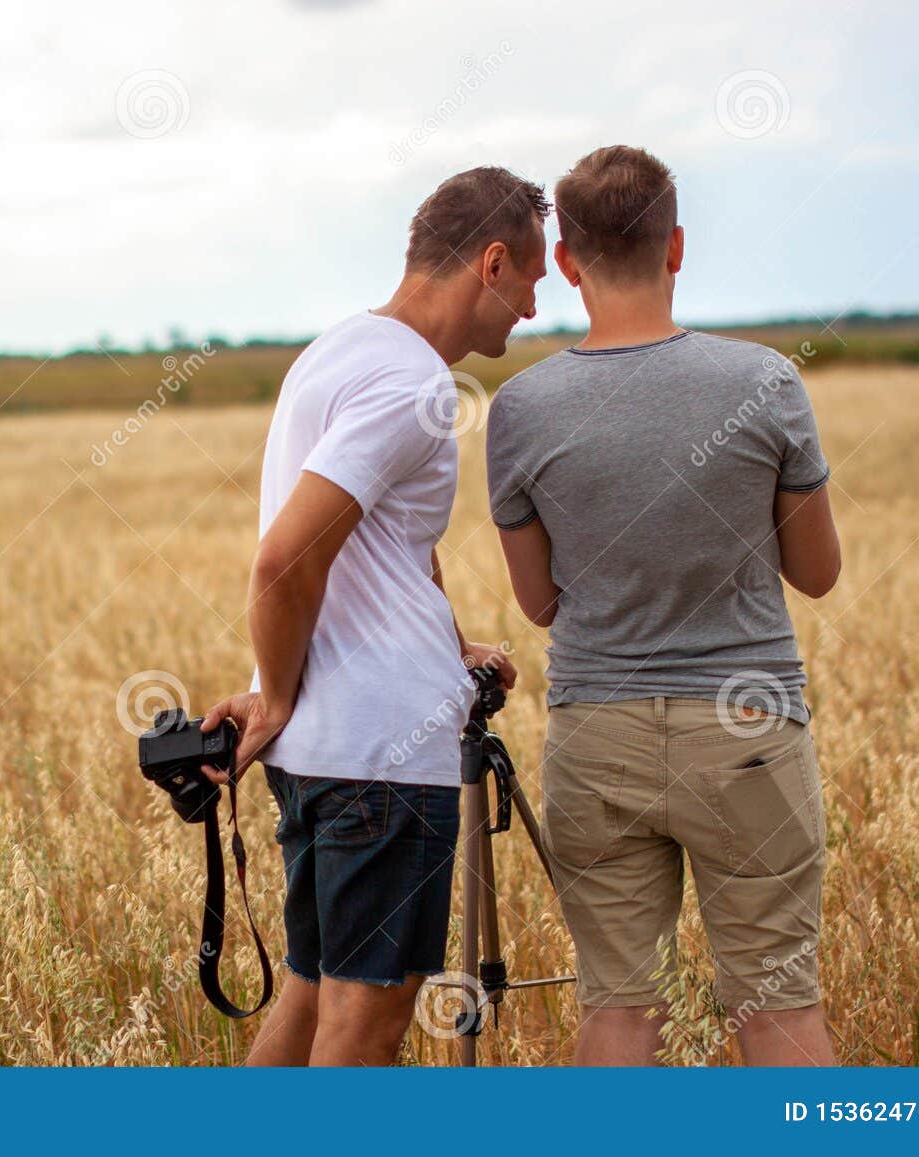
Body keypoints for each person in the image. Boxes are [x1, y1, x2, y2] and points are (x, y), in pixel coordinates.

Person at [485, 146, 843, 1066]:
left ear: (565, 262)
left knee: (618, 1007)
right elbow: (817, 573)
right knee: (775, 1004)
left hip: (597, 735)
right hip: (749, 729)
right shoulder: (763, 382)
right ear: (676, 246)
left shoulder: (522, 408)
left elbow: (539, 602)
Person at [198, 166, 547, 1066]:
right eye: (533, 279)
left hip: (326, 752)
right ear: (493, 262)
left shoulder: (340, 349)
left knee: (314, 996)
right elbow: (284, 557)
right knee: (369, 1025)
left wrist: (445, 638)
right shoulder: (416, 387)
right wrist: (271, 695)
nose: (535, 308)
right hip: (383, 756)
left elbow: (383, 541)